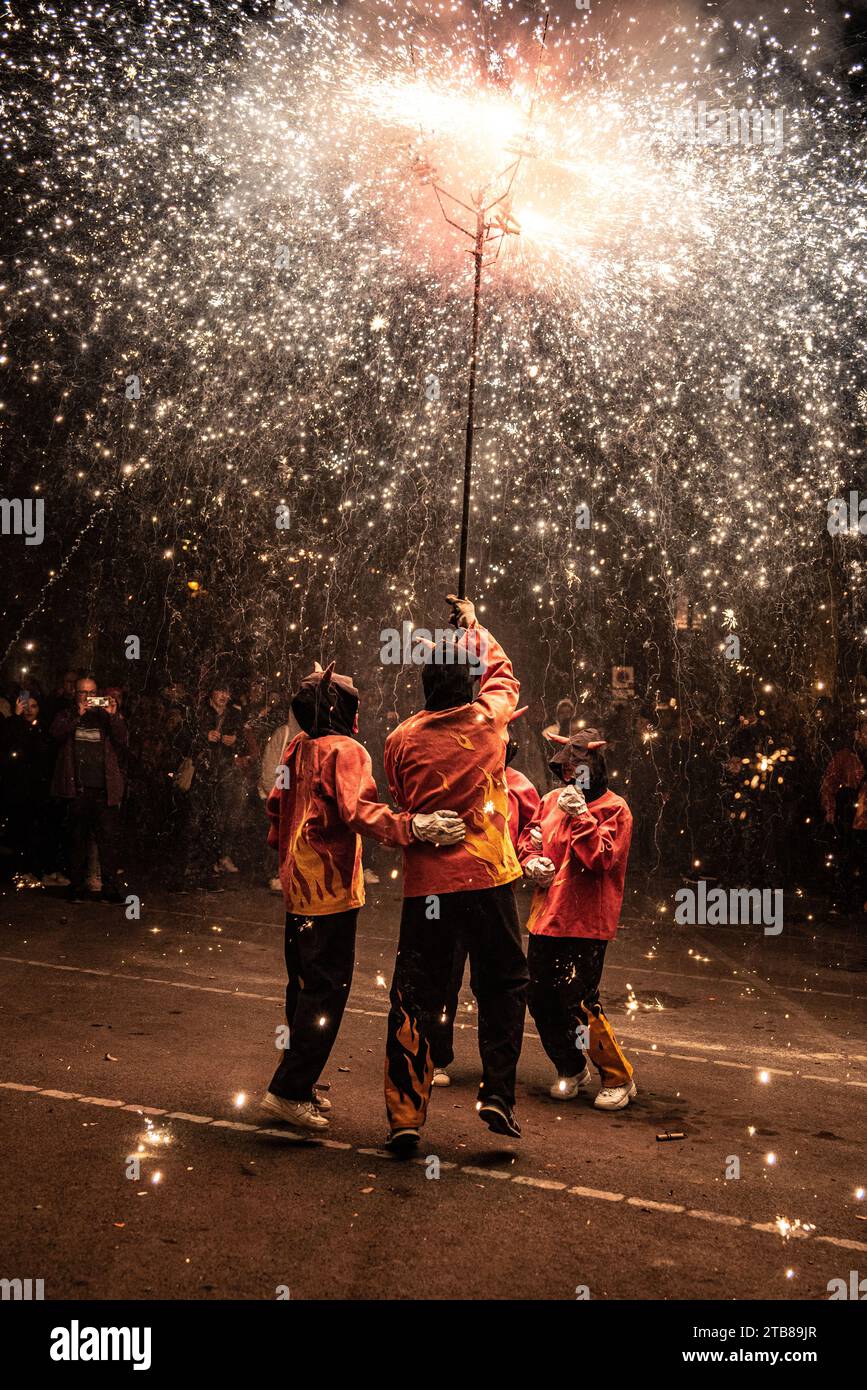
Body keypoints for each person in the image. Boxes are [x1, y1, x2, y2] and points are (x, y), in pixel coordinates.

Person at [261, 660, 465, 1134]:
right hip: (328, 889)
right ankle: (288, 1091)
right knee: (326, 993)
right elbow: (360, 812)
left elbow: (276, 809)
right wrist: (414, 826)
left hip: (297, 888)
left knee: (302, 989)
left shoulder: (298, 746)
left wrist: (288, 850)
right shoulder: (345, 750)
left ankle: (300, 1082)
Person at [382, 595, 530, 1152]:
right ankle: (497, 1093)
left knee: (416, 992)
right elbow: (504, 672)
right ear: (469, 686)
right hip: (489, 879)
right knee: (504, 983)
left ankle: (405, 1114)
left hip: (429, 889)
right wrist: (474, 625)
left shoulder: (401, 738)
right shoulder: (491, 722)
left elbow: (402, 800)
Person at [517, 728, 636, 1111]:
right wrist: (529, 860)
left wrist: (582, 816)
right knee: (537, 998)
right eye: (565, 770)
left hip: (586, 923)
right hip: (546, 918)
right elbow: (531, 837)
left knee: (579, 1003)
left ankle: (618, 1077)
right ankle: (569, 1066)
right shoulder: (550, 800)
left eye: (577, 769)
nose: (570, 778)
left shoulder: (616, 809)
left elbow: (601, 859)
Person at [430, 705, 541, 1088]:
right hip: (452, 887)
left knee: (493, 981)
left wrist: (531, 857)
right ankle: (436, 1056)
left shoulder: (520, 786)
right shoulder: (458, 776)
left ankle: (494, 1069)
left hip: (496, 894)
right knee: (444, 975)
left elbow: (532, 833)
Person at [49, 673, 128, 903]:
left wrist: (113, 717)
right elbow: (55, 732)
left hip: (104, 791)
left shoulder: (105, 716)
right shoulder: (68, 713)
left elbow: (123, 739)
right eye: (83, 692)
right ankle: (77, 888)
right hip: (78, 790)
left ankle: (110, 889)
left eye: (92, 692)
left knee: (108, 843)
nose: (88, 696)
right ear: (75, 694)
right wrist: (77, 714)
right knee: (77, 842)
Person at [0, 691, 54, 884]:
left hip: (38, 787)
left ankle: (36, 868)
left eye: (34, 706)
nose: (29, 710)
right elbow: (8, 742)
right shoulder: (14, 726)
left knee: (37, 830)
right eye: (26, 706)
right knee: (19, 829)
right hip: (18, 786)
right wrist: (15, 717)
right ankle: (20, 869)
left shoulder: (43, 729)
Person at [820, 713, 867, 915]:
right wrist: (830, 808)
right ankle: (841, 900)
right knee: (846, 858)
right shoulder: (845, 757)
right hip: (849, 814)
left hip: (862, 814)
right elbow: (828, 784)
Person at [258, 704, 301, 892]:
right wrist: (272, 794)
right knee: (276, 835)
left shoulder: (310, 736)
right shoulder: (283, 733)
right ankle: (274, 875)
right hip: (277, 793)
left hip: (296, 796)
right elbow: (269, 766)